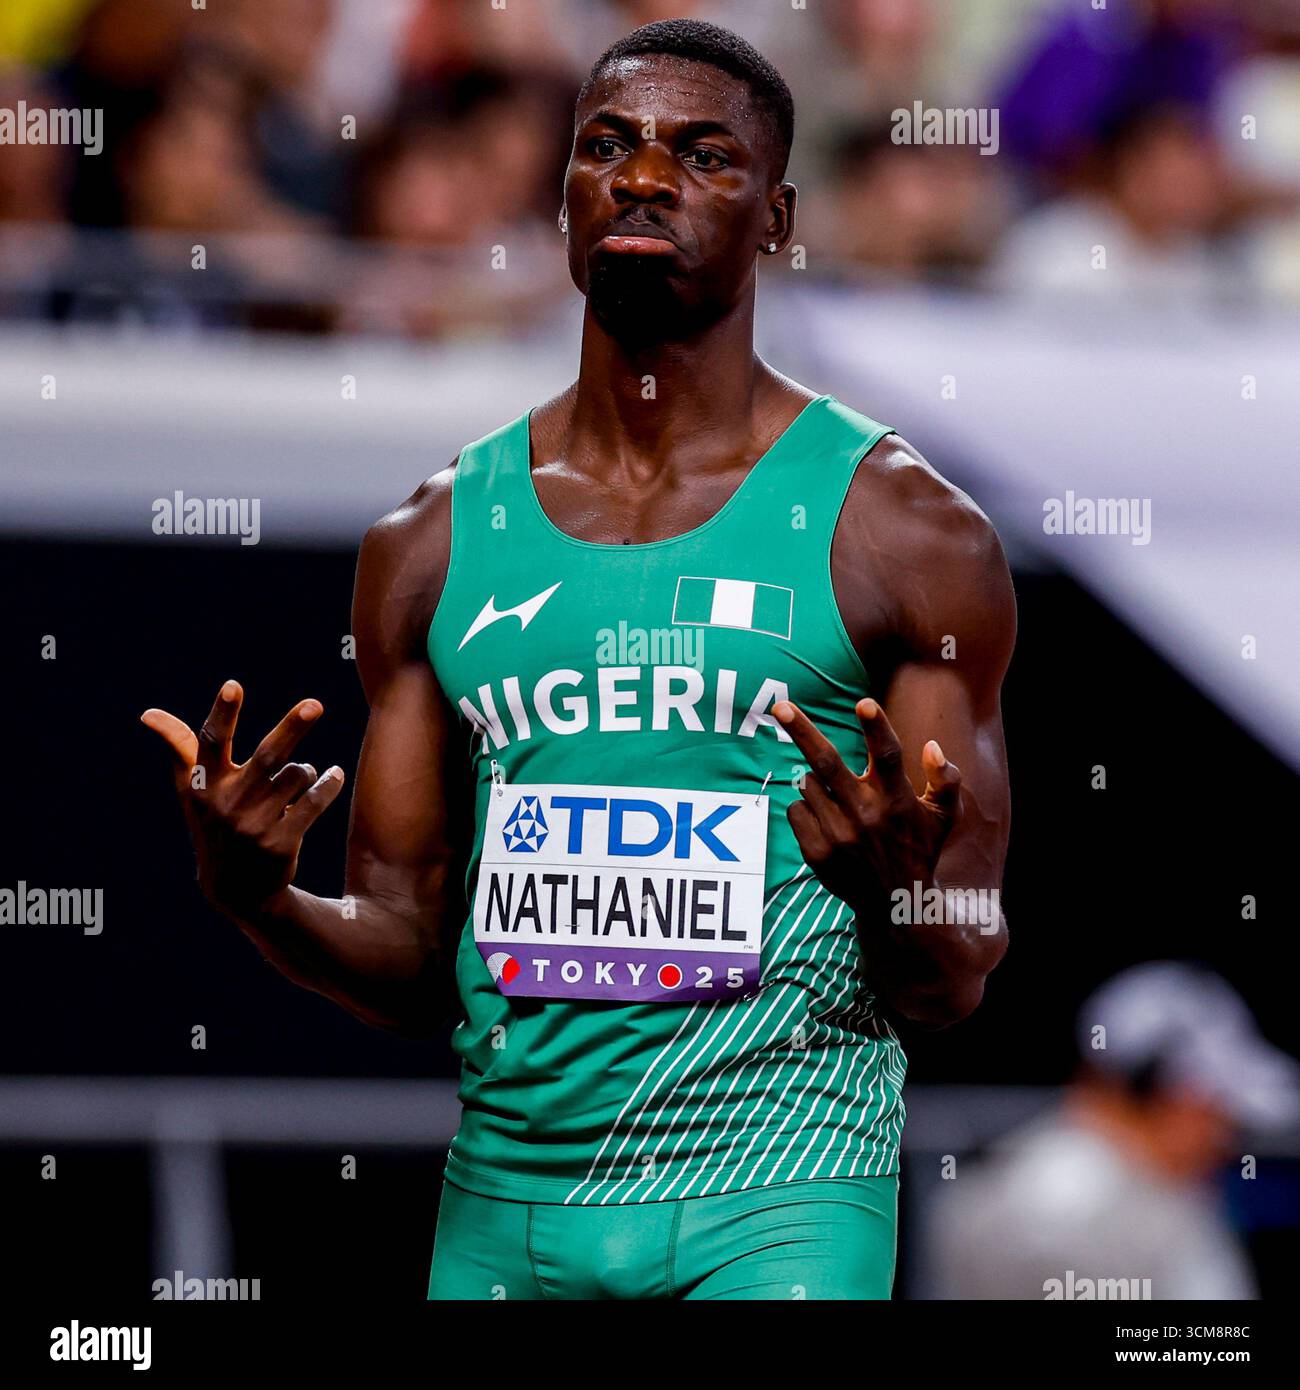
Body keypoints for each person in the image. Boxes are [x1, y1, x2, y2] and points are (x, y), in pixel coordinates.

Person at [142, 18, 1015, 1300]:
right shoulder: (430, 539)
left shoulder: (907, 534)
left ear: (775, 219)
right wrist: (259, 899)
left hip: (779, 1198)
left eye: (701, 155)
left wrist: (894, 893)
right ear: (561, 201)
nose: (645, 177)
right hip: (508, 1212)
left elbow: (955, 977)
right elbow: (409, 954)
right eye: (608, 146)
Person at [929, 962, 1299, 1300]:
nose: (1225, 1144)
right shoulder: (1058, 1215)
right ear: (1161, 1093)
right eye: (1217, 1116)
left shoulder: (1157, 1196)